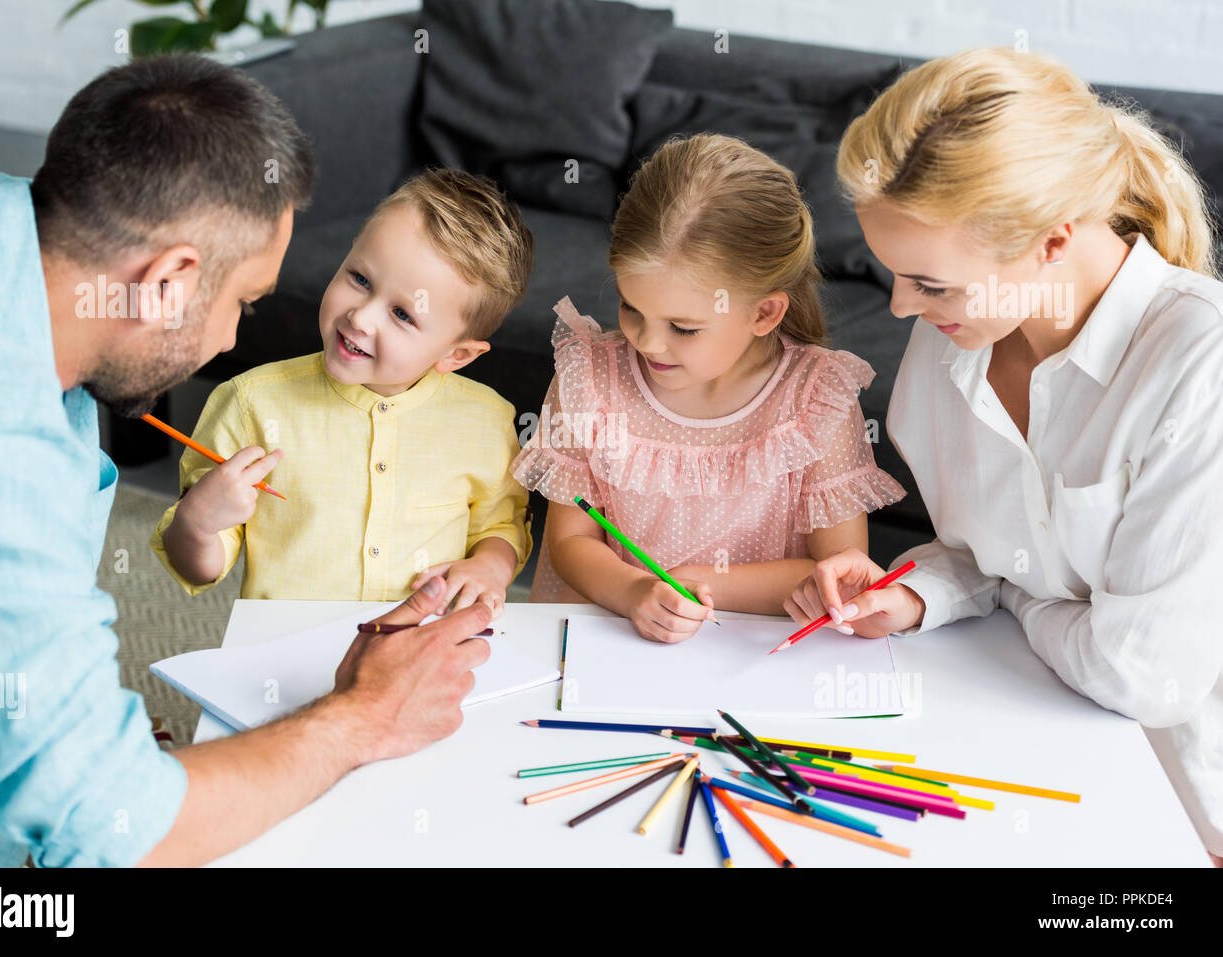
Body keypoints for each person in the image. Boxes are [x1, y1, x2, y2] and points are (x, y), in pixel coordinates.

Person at [0, 54, 491, 867]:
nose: (230, 338)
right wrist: (364, 714)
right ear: (169, 282)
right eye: (243, 304)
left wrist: (82, 732)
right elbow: (116, 829)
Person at [785, 47, 1223, 865]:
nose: (902, 307)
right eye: (895, 275)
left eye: (931, 282)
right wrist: (916, 591)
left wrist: (1017, 602)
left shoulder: (1202, 365)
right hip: (1022, 765)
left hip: (1185, 813)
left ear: (1052, 241)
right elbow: (989, 552)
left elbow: (1143, 676)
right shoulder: (947, 353)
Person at [511, 133, 906, 642]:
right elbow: (570, 541)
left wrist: (685, 583)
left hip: (753, 653)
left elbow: (836, 572)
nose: (648, 342)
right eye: (631, 307)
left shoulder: (817, 399)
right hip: (606, 642)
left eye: (684, 327)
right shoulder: (588, 378)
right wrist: (634, 592)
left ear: (764, 313)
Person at [151, 168, 534, 618]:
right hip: (283, 658)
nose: (361, 317)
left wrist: (492, 564)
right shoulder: (251, 403)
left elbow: (501, 523)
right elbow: (197, 566)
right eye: (360, 279)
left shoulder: (486, 421)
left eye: (402, 315)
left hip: (422, 656)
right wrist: (195, 526)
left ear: (458, 355)